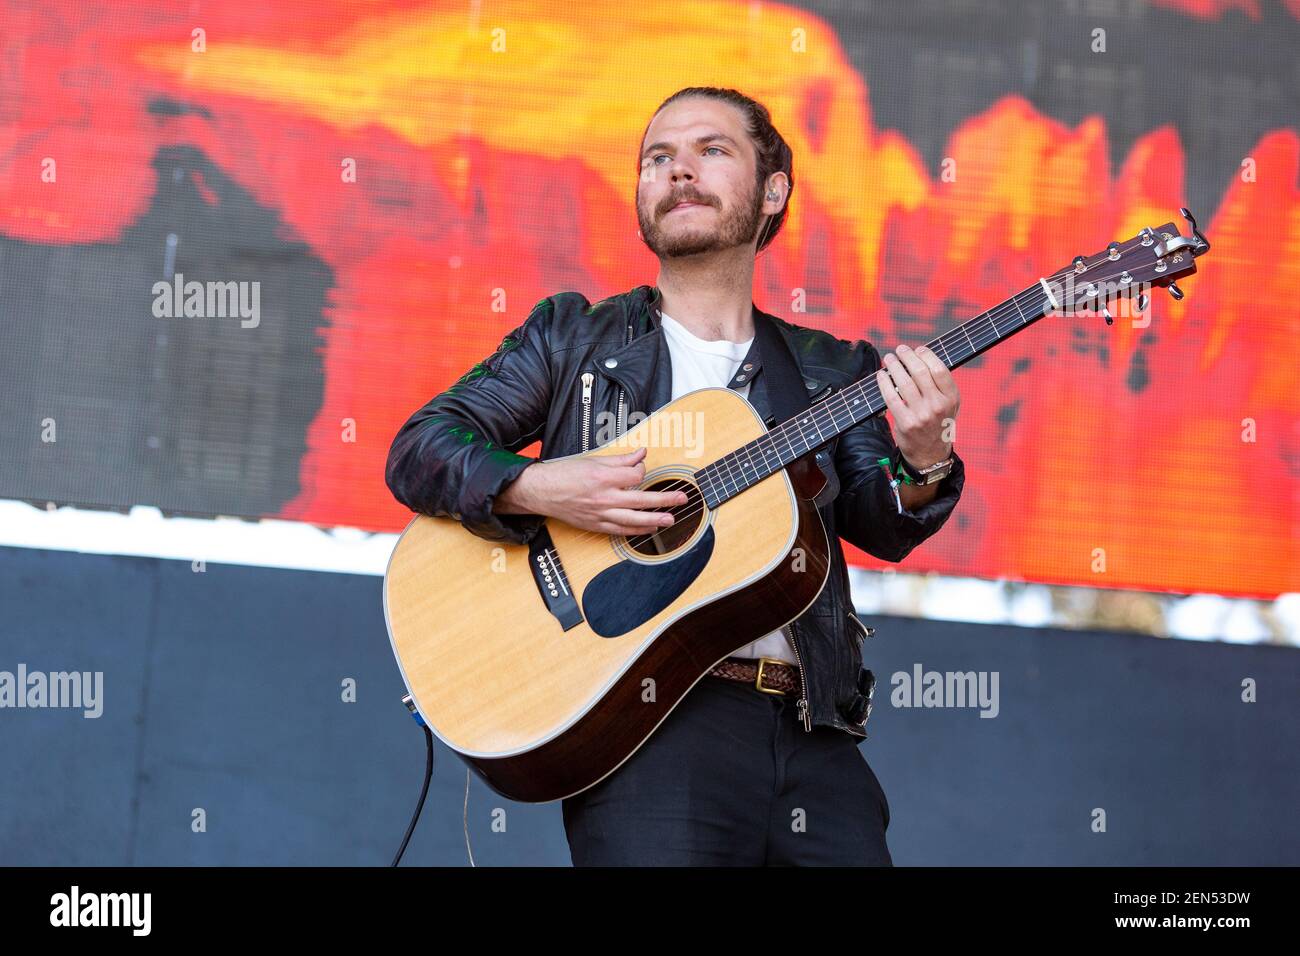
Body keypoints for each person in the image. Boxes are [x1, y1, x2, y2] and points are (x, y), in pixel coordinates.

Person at [385, 86, 965, 865]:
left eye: (710, 150)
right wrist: (536, 488)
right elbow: (421, 446)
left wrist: (926, 457)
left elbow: (884, 518)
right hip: (653, 730)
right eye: (658, 158)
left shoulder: (833, 370)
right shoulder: (573, 338)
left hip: (814, 735)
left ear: (773, 191)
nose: (678, 171)